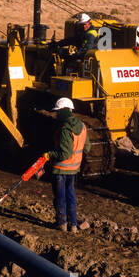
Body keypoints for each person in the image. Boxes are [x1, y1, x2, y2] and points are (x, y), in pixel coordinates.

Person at [46, 97, 91, 232]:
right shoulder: (82, 126)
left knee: (60, 197)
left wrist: (49, 155)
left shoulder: (65, 129)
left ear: (63, 112)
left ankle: (62, 224)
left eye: (58, 112)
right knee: (71, 195)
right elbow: (87, 147)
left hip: (60, 169)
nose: (56, 115)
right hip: (74, 169)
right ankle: (73, 225)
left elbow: (65, 154)